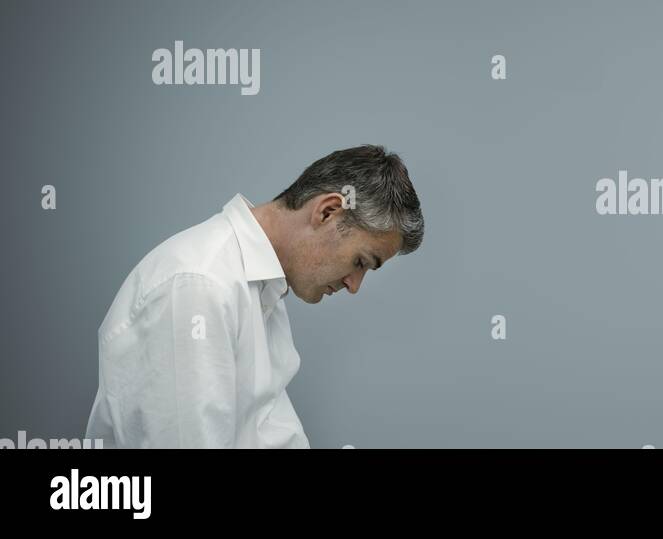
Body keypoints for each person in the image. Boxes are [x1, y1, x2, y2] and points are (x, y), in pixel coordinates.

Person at [86, 145, 424, 448]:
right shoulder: (199, 287)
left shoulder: (262, 289)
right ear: (327, 211)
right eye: (361, 262)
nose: (354, 285)